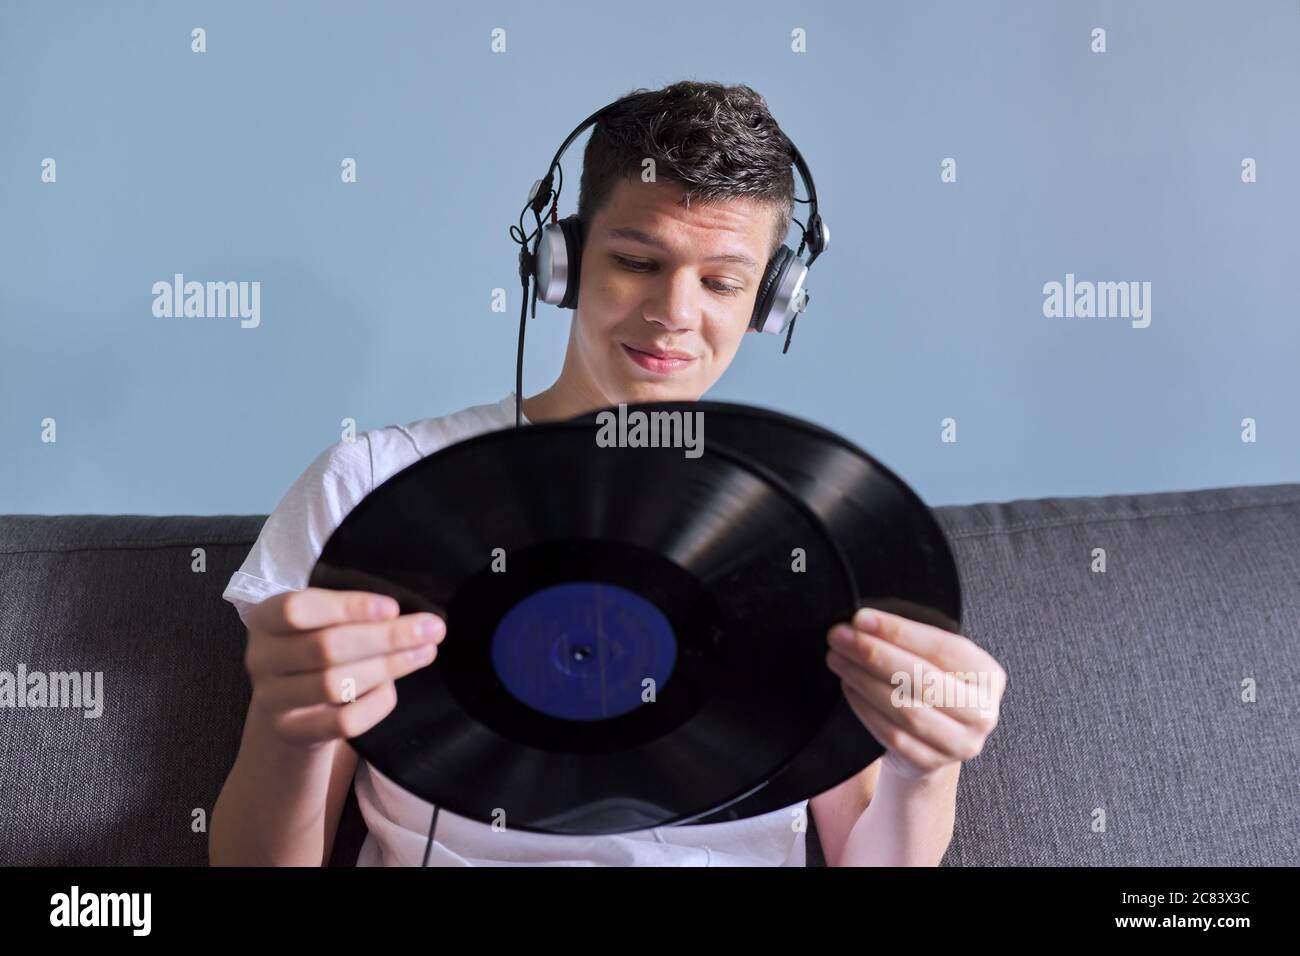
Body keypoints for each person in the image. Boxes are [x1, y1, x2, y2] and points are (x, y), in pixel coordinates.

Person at [209, 80, 1006, 867]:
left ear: (771, 301)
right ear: (559, 262)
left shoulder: (825, 526)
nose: (673, 312)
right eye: (635, 260)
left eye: (722, 282)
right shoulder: (370, 483)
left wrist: (925, 768)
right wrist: (292, 727)